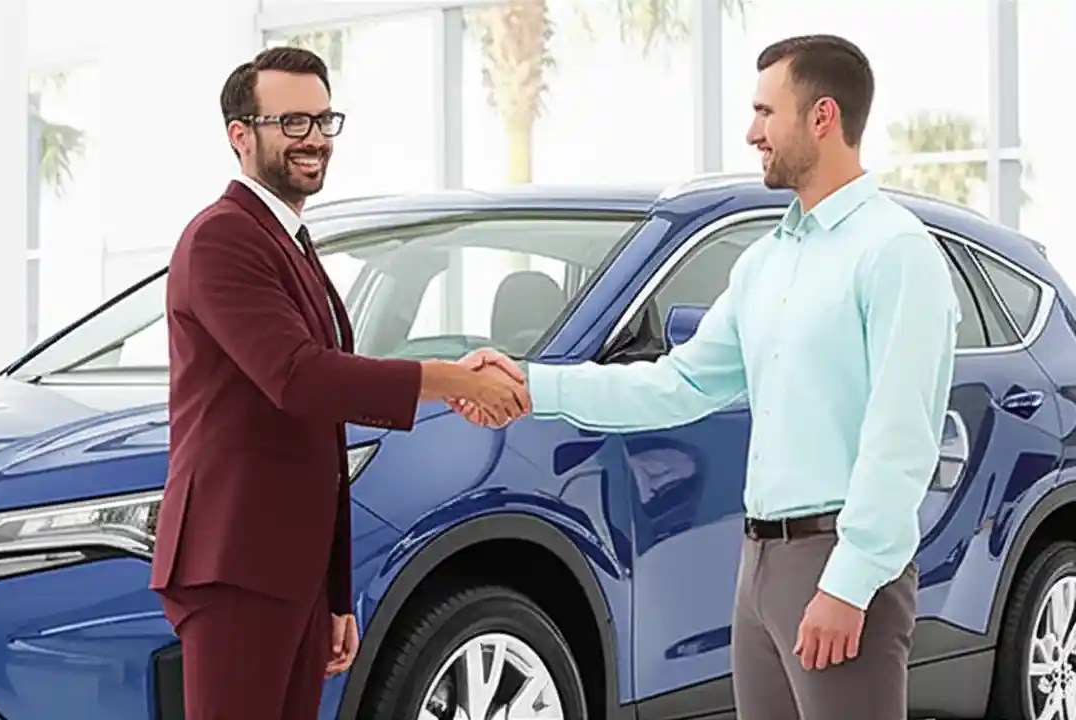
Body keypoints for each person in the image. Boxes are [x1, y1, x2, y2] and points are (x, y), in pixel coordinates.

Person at [457, 34, 959, 719]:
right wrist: (532, 386)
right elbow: (679, 383)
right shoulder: (766, 263)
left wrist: (851, 583)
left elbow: (900, 437)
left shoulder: (896, 252)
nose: (752, 133)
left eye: (764, 111)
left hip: (839, 562)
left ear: (822, 117)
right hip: (759, 566)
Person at [149, 46, 529, 720]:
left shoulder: (288, 238)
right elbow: (298, 378)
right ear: (241, 135)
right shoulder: (221, 238)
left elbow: (318, 441)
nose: (315, 139)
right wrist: (449, 379)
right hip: (235, 564)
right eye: (293, 123)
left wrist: (333, 592)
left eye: (325, 121)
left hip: (288, 572)